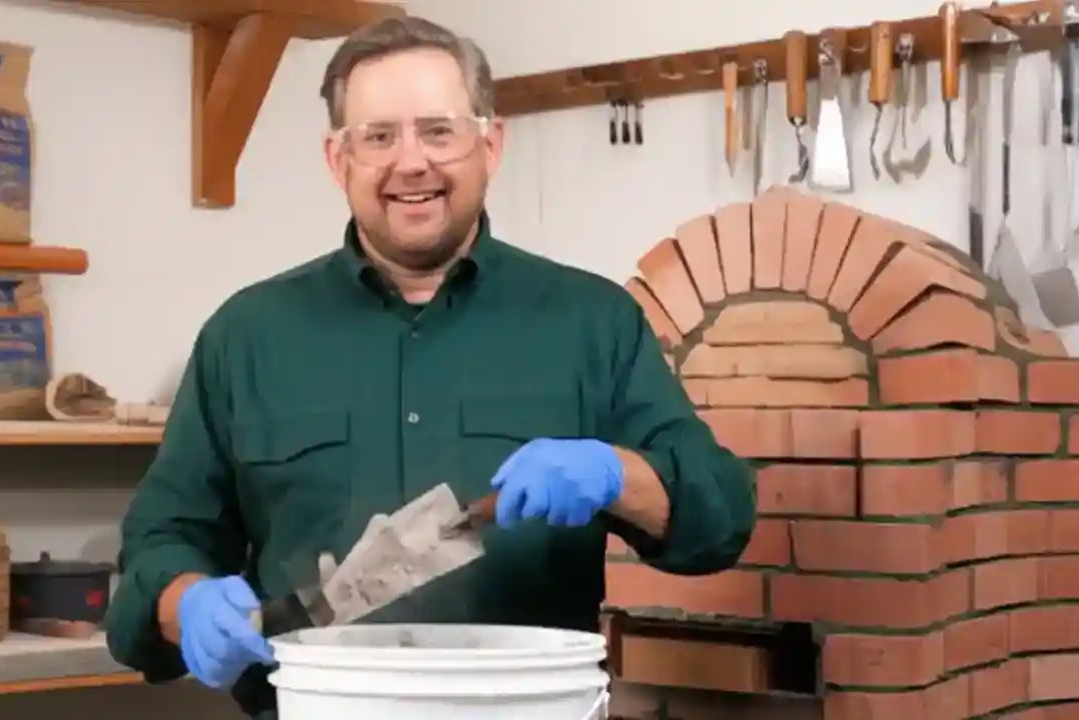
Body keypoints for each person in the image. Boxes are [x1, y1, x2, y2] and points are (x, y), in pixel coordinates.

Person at [105, 14, 756, 719]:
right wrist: (187, 602)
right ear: (337, 160)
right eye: (378, 136)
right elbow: (159, 548)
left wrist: (614, 474)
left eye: (438, 131)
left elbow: (719, 520)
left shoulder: (592, 322)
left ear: (491, 143)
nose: (410, 162)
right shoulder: (246, 335)